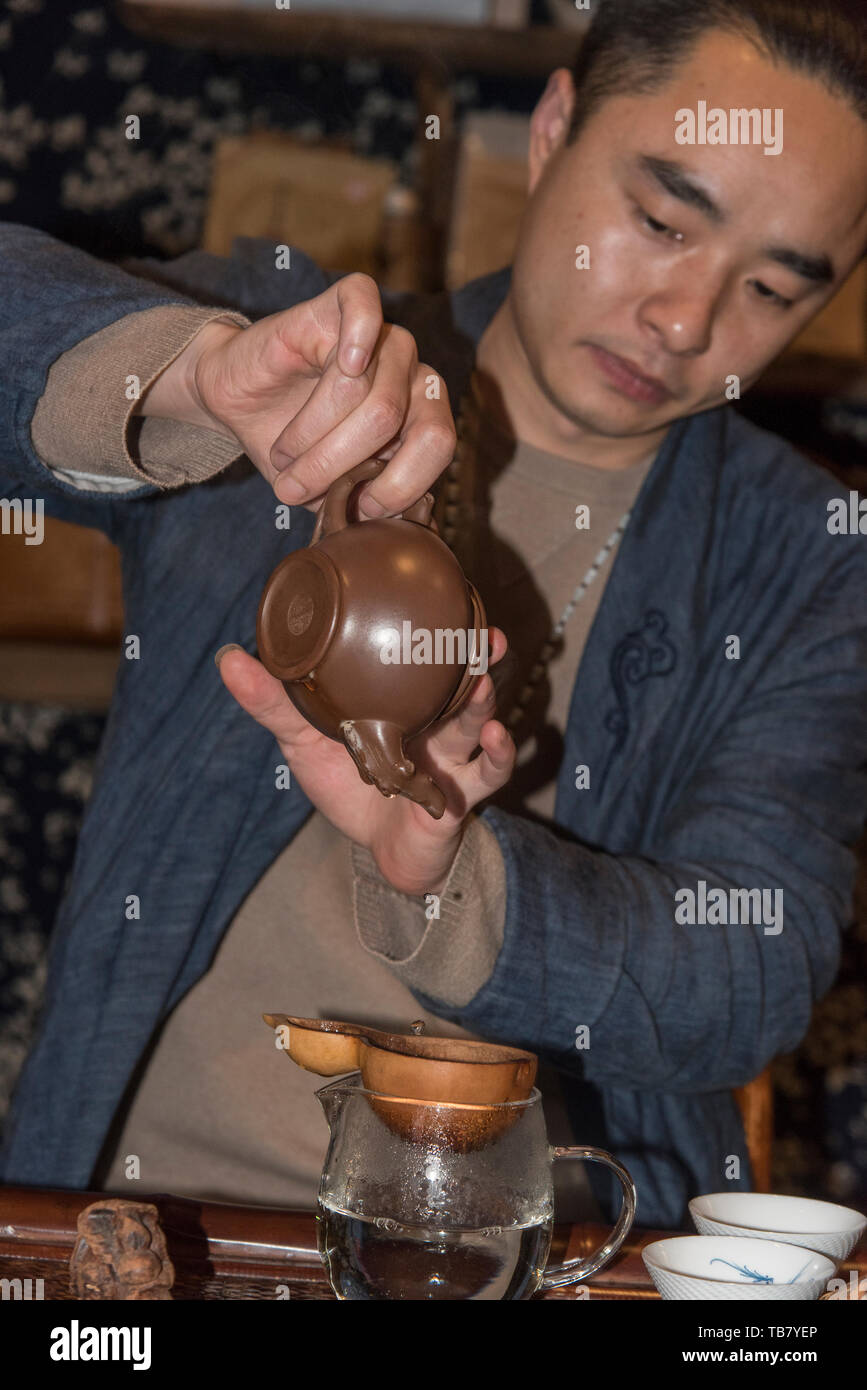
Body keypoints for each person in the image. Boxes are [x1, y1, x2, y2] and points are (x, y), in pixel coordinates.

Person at [1, 0, 866, 1232]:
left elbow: (753, 963)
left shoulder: (810, 566)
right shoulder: (306, 363)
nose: (687, 322)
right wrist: (189, 379)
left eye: (774, 289)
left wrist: (463, 886)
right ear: (555, 126)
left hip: (524, 1250)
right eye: (663, 220)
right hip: (147, 1234)